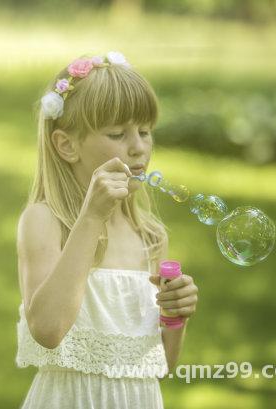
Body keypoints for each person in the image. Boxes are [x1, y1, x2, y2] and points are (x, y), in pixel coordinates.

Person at [16, 51, 199, 408]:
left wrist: (176, 317)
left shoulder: (149, 236)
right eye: (117, 133)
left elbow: (159, 366)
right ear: (67, 145)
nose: (138, 148)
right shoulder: (44, 220)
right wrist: (91, 218)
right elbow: (48, 331)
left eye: (145, 132)